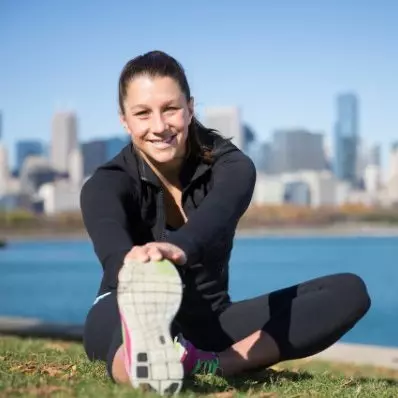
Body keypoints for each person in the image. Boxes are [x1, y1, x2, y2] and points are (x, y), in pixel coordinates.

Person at [81, 50, 371, 395]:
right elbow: (109, 239)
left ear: (190, 108)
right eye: (142, 113)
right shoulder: (106, 182)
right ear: (125, 121)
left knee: (350, 291)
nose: (159, 126)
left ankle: (216, 362)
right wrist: (130, 263)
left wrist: (176, 247)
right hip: (123, 308)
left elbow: (217, 213)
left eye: (170, 109)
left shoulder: (232, 167)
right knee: (127, 337)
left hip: (210, 320)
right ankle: (140, 362)